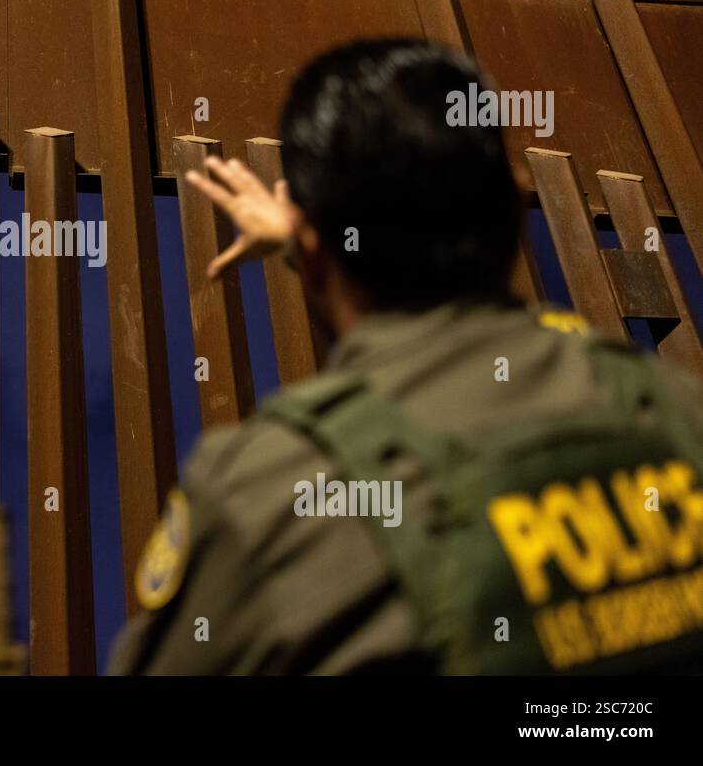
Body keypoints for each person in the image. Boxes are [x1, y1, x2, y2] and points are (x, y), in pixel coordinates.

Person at [110, 39, 703, 674]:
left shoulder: (271, 496)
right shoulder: (679, 410)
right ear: (517, 202)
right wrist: (309, 241)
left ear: (313, 257)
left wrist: (313, 244)